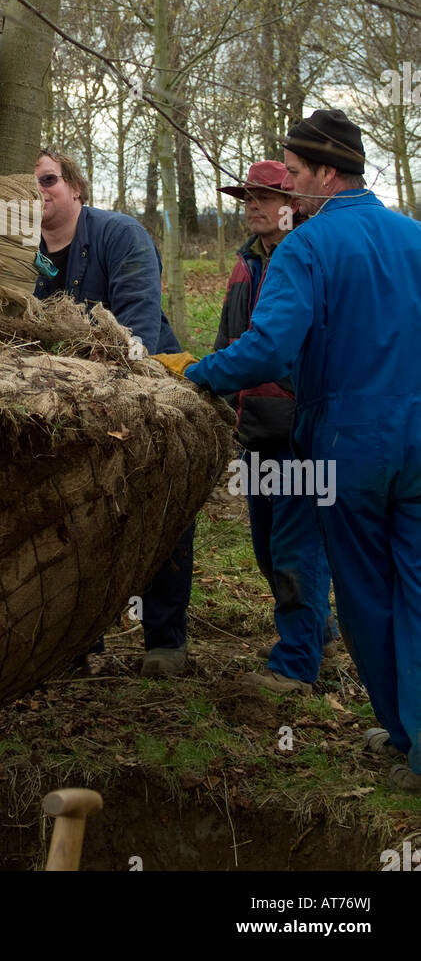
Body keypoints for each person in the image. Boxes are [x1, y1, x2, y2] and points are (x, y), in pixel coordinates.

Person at [184, 110, 421, 793]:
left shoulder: (307, 247)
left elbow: (268, 348)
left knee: (365, 593)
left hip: (349, 447)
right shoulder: (413, 237)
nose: (285, 189)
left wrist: (195, 375)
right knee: (414, 587)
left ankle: (403, 733)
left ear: (324, 173)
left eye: (289, 175)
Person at [33, 146, 193, 678]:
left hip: (141, 387)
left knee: (158, 507)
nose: (41, 191)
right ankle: (77, 641)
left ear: (75, 187)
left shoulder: (120, 235)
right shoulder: (18, 252)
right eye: (32, 183)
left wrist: (103, 387)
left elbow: (137, 330)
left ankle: (164, 639)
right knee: (70, 522)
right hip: (57, 402)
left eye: (50, 179)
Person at [214, 160, 338, 694]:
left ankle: (294, 667)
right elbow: (230, 341)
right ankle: (320, 634)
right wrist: (214, 393)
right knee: (267, 550)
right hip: (257, 434)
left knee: (296, 551)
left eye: (267, 197)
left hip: (303, 433)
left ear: (295, 205)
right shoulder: (246, 264)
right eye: (248, 196)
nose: (254, 206)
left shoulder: (312, 256)